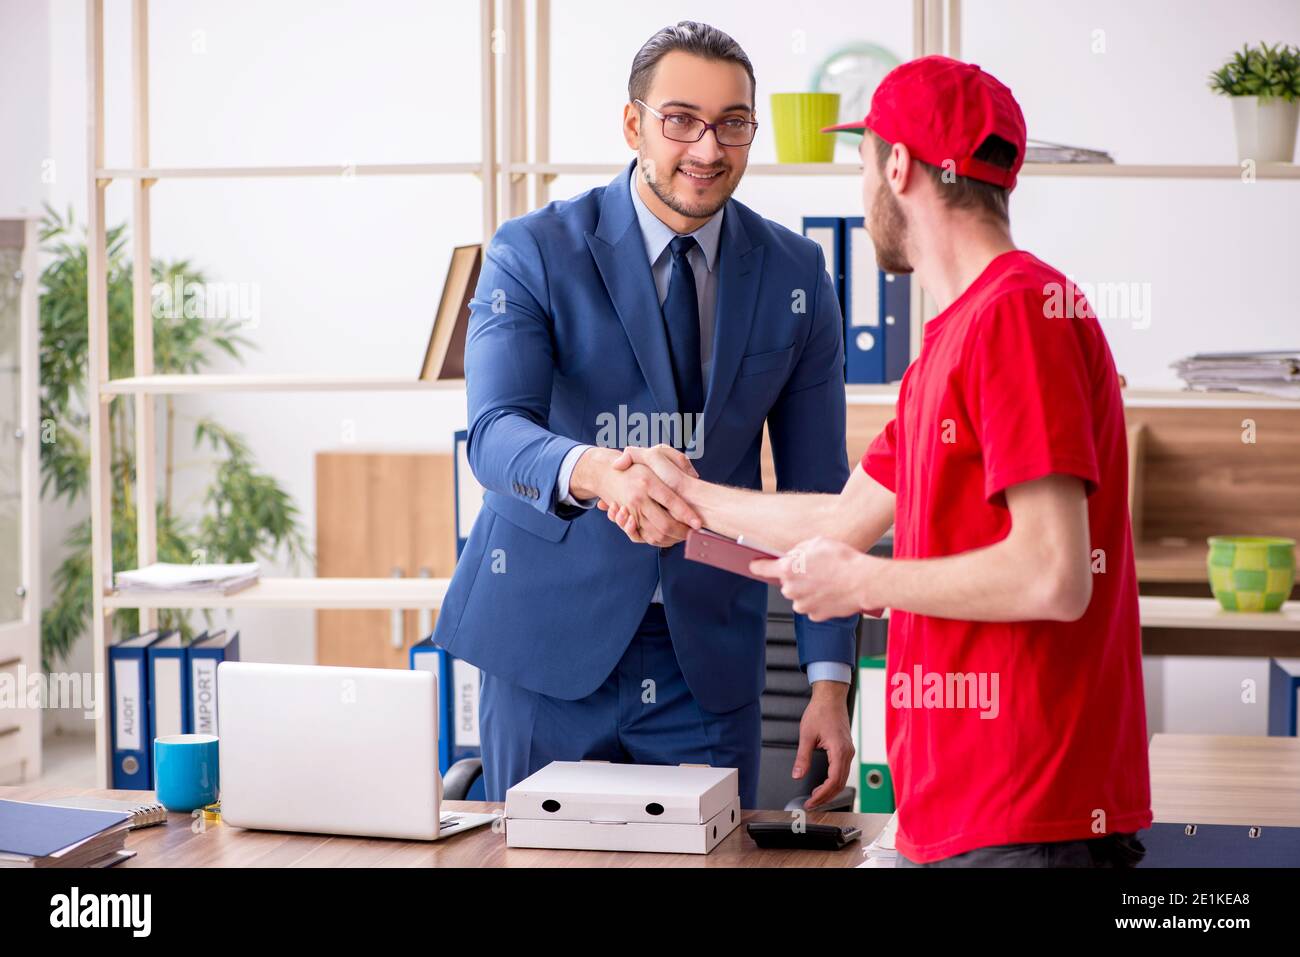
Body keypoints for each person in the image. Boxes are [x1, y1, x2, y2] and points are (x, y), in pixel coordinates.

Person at [603, 56, 1152, 867]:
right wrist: (686, 492)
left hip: (1029, 814)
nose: (862, 198)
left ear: (897, 165)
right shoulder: (950, 343)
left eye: (863, 164)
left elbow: (1052, 574)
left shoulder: (1018, 316)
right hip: (965, 814)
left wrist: (864, 583)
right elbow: (839, 517)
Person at [434, 21, 858, 809]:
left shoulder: (797, 273)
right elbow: (495, 435)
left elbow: (820, 490)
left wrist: (829, 680)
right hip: (546, 644)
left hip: (705, 657)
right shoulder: (532, 251)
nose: (707, 147)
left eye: (733, 123)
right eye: (680, 120)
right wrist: (598, 472)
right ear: (634, 125)